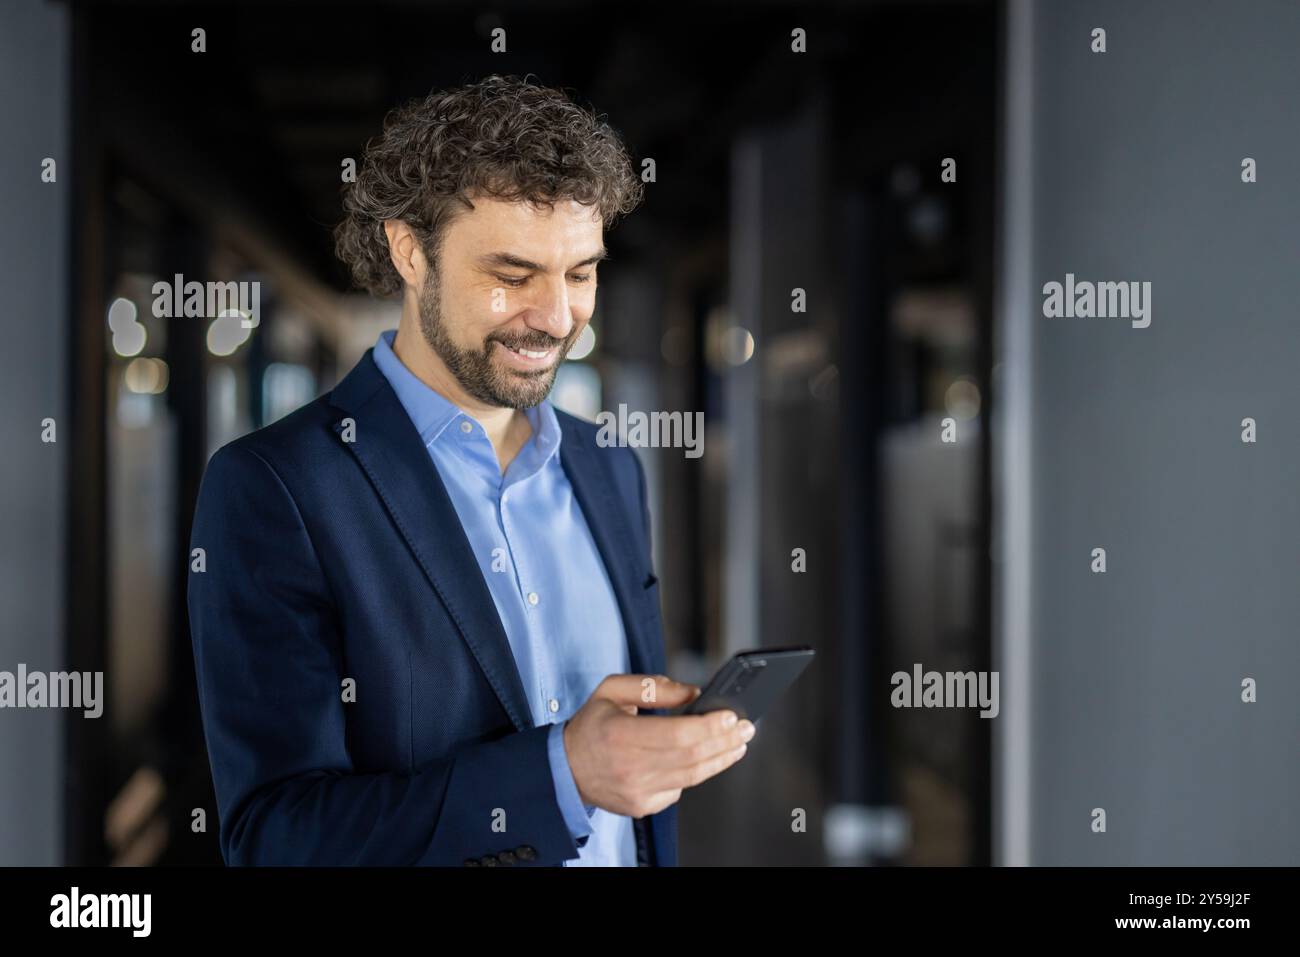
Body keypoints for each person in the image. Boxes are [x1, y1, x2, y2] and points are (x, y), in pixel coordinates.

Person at [187, 74, 754, 867]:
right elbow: (278, 836)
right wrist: (564, 774)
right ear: (409, 250)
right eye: (512, 275)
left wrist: (647, 751)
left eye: (580, 272)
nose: (557, 317)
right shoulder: (276, 487)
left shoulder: (609, 466)